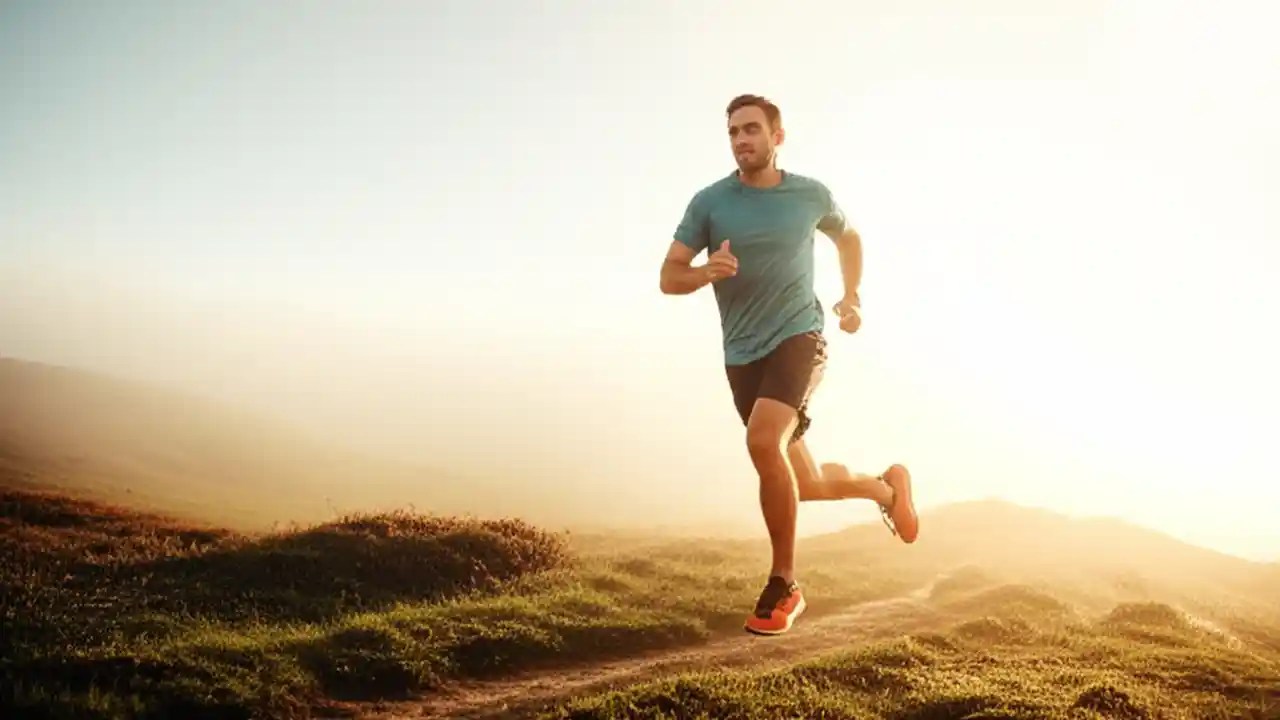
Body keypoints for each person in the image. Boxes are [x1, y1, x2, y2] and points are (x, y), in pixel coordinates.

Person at [658, 94, 918, 636]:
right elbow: (669, 276)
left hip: (801, 337)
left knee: (761, 441)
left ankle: (785, 582)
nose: (740, 140)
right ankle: (887, 489)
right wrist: (707, 272)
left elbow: (848, 236)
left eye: (751, 129)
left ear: (778, 137)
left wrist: (853, 296)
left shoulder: (809, 195)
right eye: (733, 132)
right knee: (805, 483)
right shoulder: (709, 203)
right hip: (742, 354)